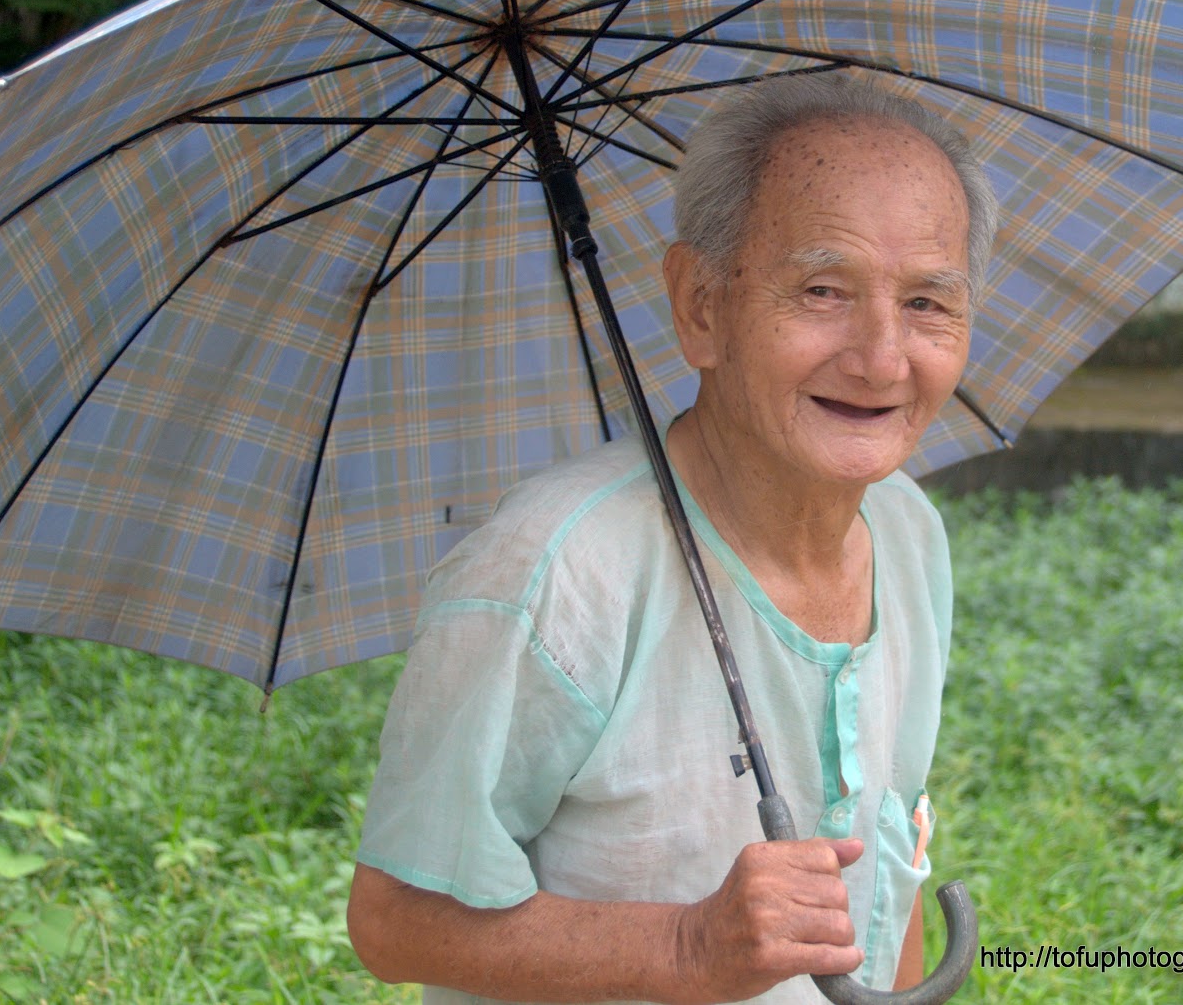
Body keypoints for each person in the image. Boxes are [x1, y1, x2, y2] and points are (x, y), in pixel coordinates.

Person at [347, 73, 999, 1004]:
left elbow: (884, 857)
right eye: (823, 289)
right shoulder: (555, 573)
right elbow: (395, 918)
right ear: (701, 305)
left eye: (930, 303)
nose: (884, 357)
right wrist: (689, 947)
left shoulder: (907, 530)